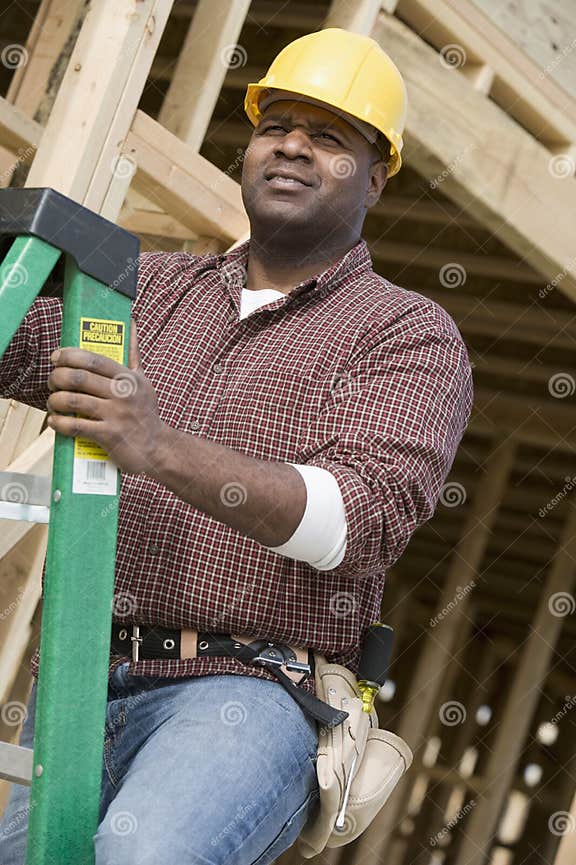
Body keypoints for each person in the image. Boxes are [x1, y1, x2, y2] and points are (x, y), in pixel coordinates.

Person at [0, 27, 473, 865]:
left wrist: (158, 445)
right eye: (275, 126)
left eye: (328, 136)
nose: (292, 146)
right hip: (75, 678)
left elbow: (356, 523)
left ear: (378, 173)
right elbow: (15, 342)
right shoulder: (145, 288)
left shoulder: (406, 334)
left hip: (246, 694)